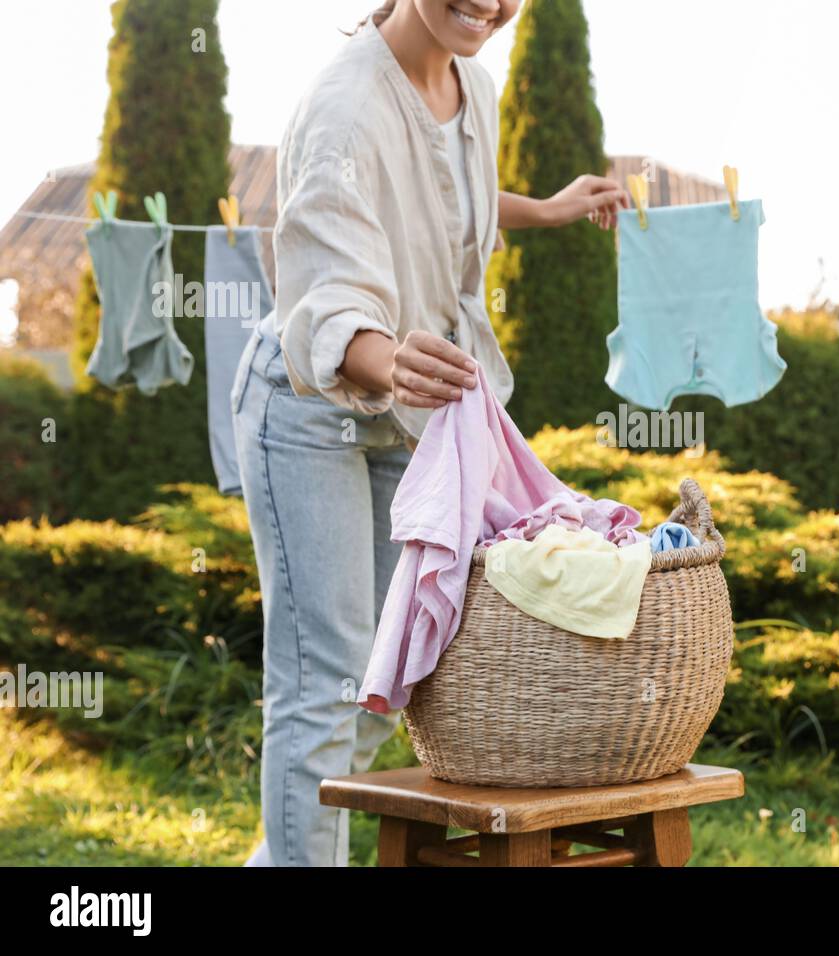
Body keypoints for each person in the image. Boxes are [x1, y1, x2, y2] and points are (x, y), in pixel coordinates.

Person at [233, 0, 627, 866]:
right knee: (325, 683)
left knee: (385, 683)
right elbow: (326, 285)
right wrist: (383, 358)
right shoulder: (346, 107)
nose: (488, 3)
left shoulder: (471, 84)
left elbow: (448, 203)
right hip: (313, 406)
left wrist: (550, 209)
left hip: (412, 412)